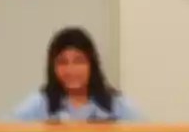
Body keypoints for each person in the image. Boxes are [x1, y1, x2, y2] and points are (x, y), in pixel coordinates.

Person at [11, 27, 140, 123]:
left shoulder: (115, 105)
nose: (70, 70)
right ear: (53, 68)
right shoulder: (39, 104)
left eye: (79, 61)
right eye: (62, 62)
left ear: (92, 65)